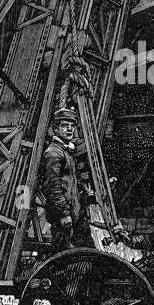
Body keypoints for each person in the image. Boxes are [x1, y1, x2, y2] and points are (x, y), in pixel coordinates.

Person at [41, 107, 89, 252]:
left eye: (72, 126)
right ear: (55, 129)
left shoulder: (66, 151)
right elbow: (52, 186)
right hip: (63, 219)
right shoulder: (54, 153)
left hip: (74, 215)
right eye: (64, 125)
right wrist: (64, 213)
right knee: (64, 256)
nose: (69, 129)